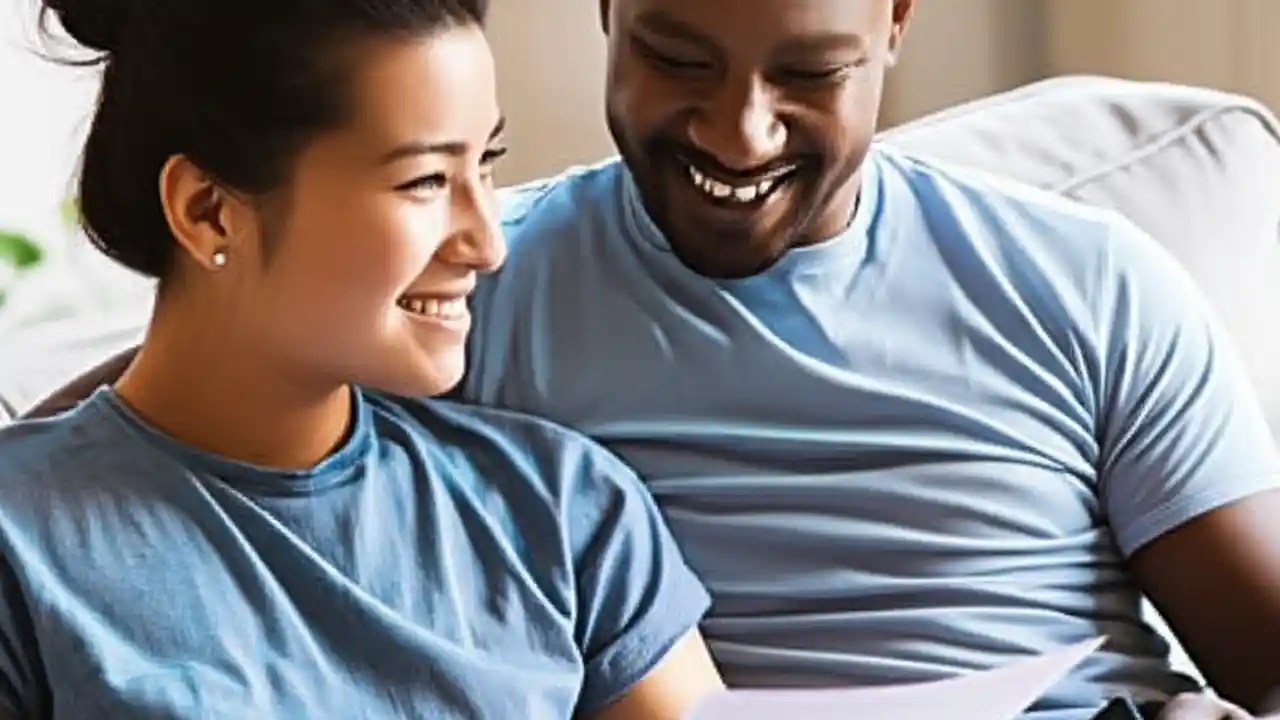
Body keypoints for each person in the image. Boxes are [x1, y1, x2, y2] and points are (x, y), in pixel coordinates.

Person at [31, 1, 1280, 719]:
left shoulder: (1085, 280)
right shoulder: (479, 305)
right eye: (680, 58)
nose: (738, 128)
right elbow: (205, 403)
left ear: (895, 21)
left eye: (806, 70)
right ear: (609, 15)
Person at [0, 0, 724, 717]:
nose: (486, 242)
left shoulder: (565, 513)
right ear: (208, 211)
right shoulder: (24, 543)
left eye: (486, 166)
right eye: (426, 182)